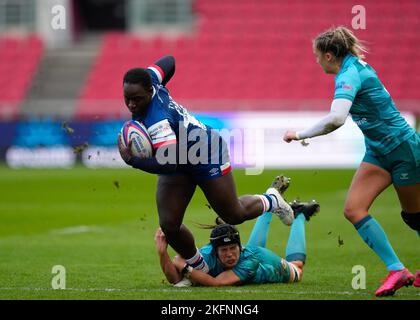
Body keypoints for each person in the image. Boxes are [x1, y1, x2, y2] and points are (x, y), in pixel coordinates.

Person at [118, 55, 294, 278]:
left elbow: (169, 164)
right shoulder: (151, 80)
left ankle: (271, 200)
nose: (132, 104)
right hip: (179, 155)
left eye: (137, 99)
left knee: (233, 214)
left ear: (148, 92)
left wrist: (133, 160)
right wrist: (150, 75)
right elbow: (170, 61)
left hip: (205, 151)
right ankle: (199, 267)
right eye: (127, 98)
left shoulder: (158, 120)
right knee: (169, 224)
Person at [283, 26, 420, 296]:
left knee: (414, 217)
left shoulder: (349, 74)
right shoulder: (354, 66)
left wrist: (299, 134)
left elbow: (336, 119)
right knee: (354, 209)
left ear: (330, 55)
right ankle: (397, 270)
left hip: (402, 149)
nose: (316, 60)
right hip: (378, 151)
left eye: (318, 56)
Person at [155, 200, 320, 286]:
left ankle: (300, 214)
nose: (230, 254)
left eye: (233, 248)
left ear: (239, 247)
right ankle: (271, 206)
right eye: (224, 250)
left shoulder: (250, 260)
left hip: (265, 264)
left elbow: (217, 283)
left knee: (297, 268)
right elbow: (175, 280)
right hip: (252, 252)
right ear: (215, 251)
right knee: (252, 249)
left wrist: (185, 268)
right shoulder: (205, 256)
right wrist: (163, 253)